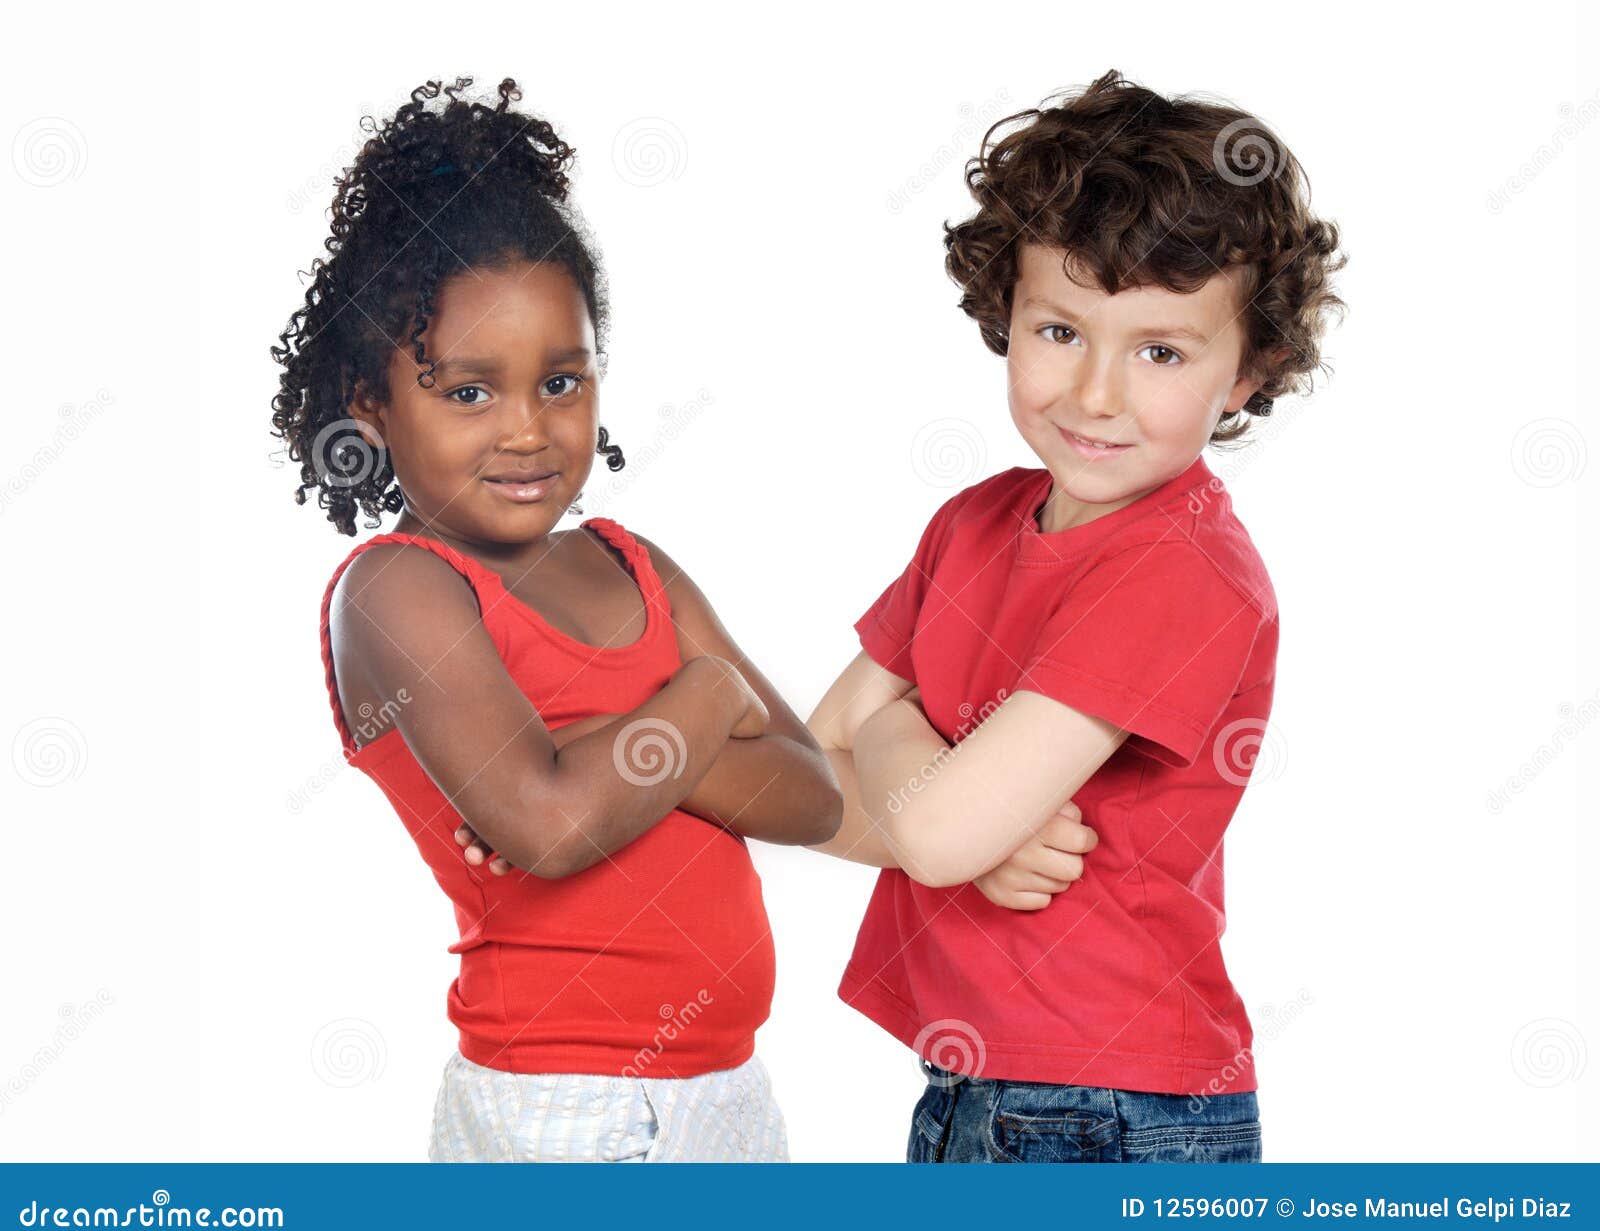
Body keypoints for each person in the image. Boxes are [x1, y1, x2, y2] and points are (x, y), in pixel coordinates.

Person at [271, 76, 841, 1162]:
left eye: (562, 381)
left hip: (727, 1089)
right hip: (564, 1106)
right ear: (369, 407)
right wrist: (709, 703)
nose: (528, 431)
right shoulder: (399, 590)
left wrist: (600, 754)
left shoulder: (635, 564)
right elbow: (545, 827)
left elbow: (812, 795)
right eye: (469, 392)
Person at [804, 68, 1346, 1163]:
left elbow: (934, 821)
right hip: (979, 1083)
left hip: (1111, 1109)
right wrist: (943, 826)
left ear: (1249, 372)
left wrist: (930, 798)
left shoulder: (1180, 571)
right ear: (1003, 311)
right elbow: (806, 762)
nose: (1095, 393)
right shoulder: (971, 524)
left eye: (1160, 351)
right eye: (1059, 329)